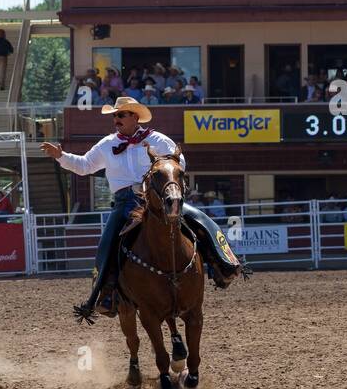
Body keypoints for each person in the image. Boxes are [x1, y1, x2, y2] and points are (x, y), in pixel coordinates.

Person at [39, 95, 244, 323]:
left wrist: (162, 178)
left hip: (158, 197)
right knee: (107, 243)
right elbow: (86, 165)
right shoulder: (107, 144)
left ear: (135, 117)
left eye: (121, 114)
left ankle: (224, 264)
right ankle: (104, 294)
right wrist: (61, 156)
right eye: (115, 115)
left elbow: (179, 162)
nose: (116, 119)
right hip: (125, 202)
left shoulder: (159, 140)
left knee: (201, 220)